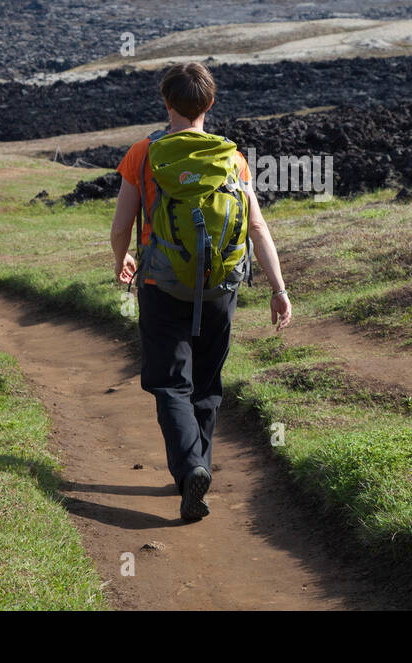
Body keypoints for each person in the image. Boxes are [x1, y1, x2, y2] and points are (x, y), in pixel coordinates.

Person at [111, 62, 292, 522]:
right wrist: (278, 287)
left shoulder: (143, 154)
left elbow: (122, 225)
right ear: (209, 104)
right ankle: (200, 468)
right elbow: (256, 226)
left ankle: (191, 469)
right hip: (219, 288)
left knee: (170, 382)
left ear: (166, 103)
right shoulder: (232, 159)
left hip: (160, 283)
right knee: (206, 386)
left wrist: (122, 260)